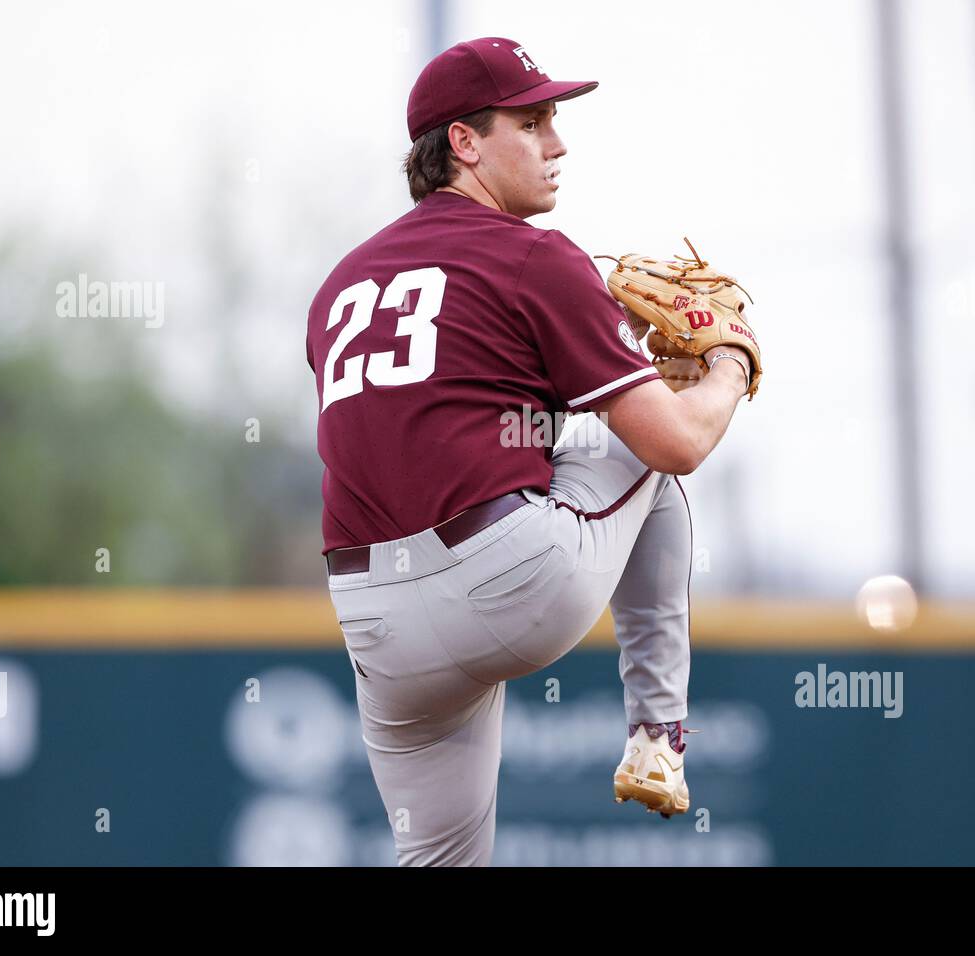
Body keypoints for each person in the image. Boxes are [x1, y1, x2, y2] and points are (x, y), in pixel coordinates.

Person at [304, 36, 754, 866]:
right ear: (464, 143)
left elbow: (441, 417)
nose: (558, 142)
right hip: (506, 580)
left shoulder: (338, 287)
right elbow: (678, 441)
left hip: (374, 624)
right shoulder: (537, 257)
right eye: (533, 120)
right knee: (649, 462)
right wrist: (727, 367)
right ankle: (658, 731)